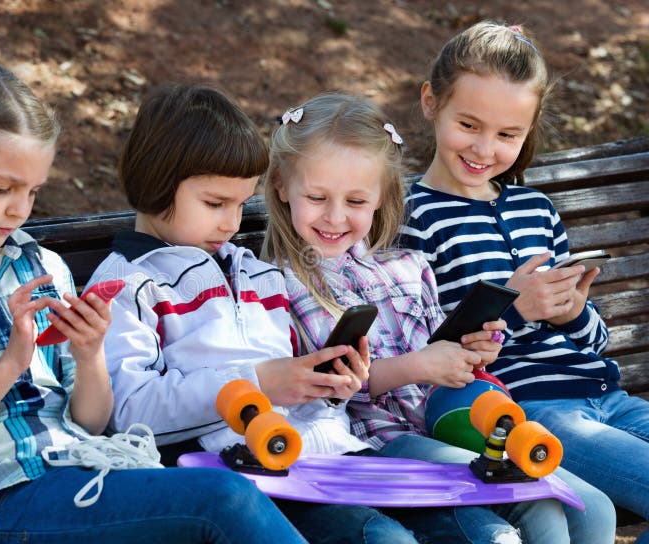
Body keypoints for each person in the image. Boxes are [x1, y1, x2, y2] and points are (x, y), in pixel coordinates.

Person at [0, 62, 308, 544]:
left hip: (86, 474)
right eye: (2, 189)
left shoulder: (39, 266)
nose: (20, 209)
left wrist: (89, 357)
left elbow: (89, 421)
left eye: (32, 192)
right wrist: (11, 364)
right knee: (223, 500)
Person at [88, 82, 426, 544]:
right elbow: (128, 412)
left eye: (239, 204)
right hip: (236, 479)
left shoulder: (257, 275)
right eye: (215, 204)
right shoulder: (126, 284)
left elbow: (290, 387)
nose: (231, 223)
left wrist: (328, 388)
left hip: (320, 463)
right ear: (155, 184)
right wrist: (258, 382)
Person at [261, 91, 583, 543]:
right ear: (281, 185)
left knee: (562, 504)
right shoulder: (274, 283)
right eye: (316, 197)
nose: (334, 217)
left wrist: (472, 350)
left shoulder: (409, 267)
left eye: (356, 201)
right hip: (377, 443)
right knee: (510, 503)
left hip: (448, 423)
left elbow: (442, 355)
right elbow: (317, 394)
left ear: (381, 197)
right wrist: (419, 366)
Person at [399, 21, 629, 543]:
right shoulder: (412, 215)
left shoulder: (536, 208)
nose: (485, 149)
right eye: (469, 125)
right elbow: (425, 352)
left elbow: (594, 340)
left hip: (604, 392)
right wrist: (514, 308)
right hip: (531, 406)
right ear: (431, 103)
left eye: (508, 135)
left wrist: (572, 313)